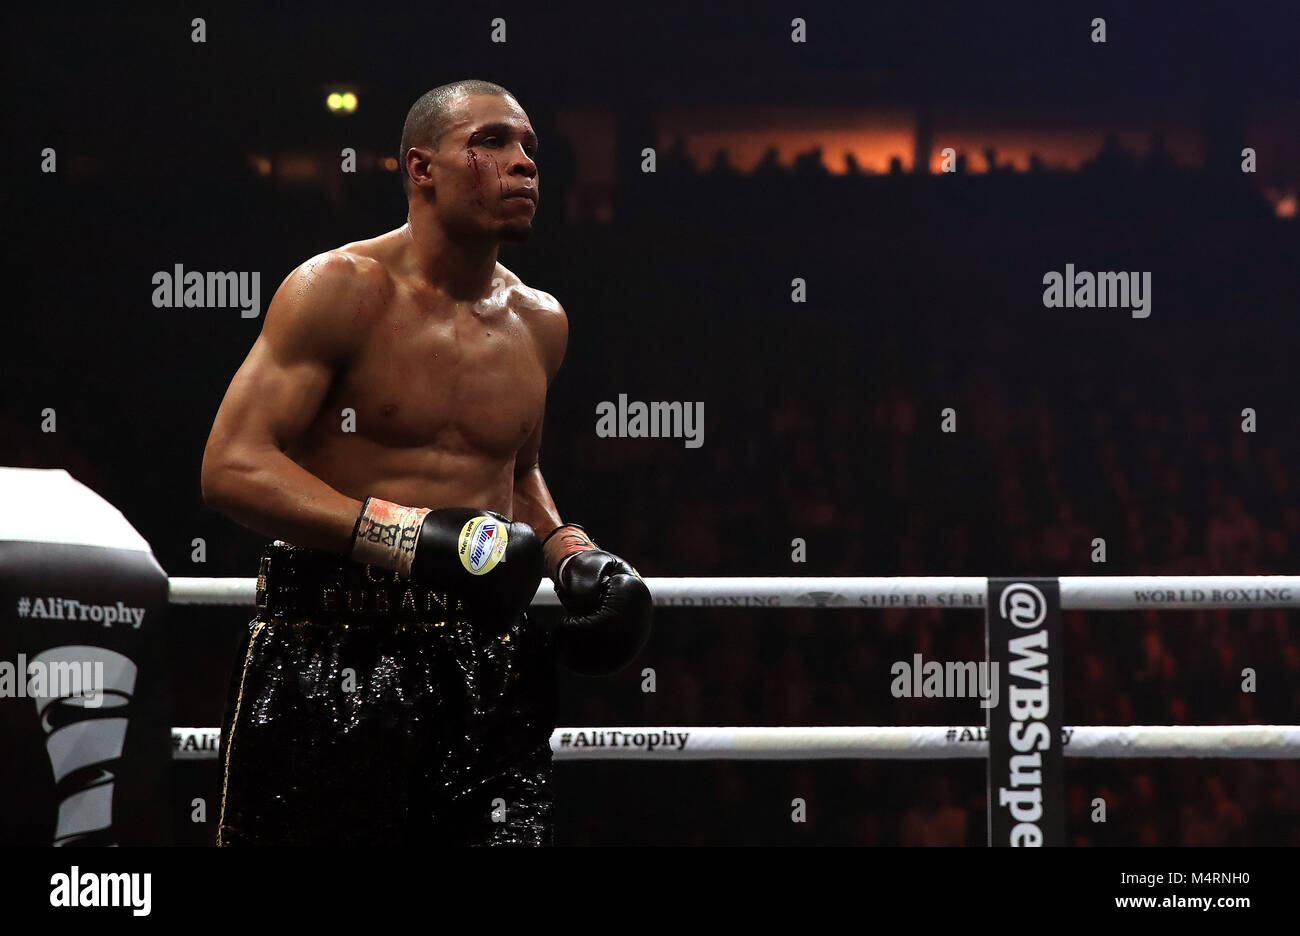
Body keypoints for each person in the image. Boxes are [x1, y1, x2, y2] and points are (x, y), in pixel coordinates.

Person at [200, 79, 651, 846]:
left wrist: (570, 553)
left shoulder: (540, 322)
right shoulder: (337, 290)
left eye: (531, 149)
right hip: (333, 642)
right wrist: (407, 538)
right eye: (492, 142)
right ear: (421, 168)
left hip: (483, 660)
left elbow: (516, 470)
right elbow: (232, 467)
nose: (524, 165)